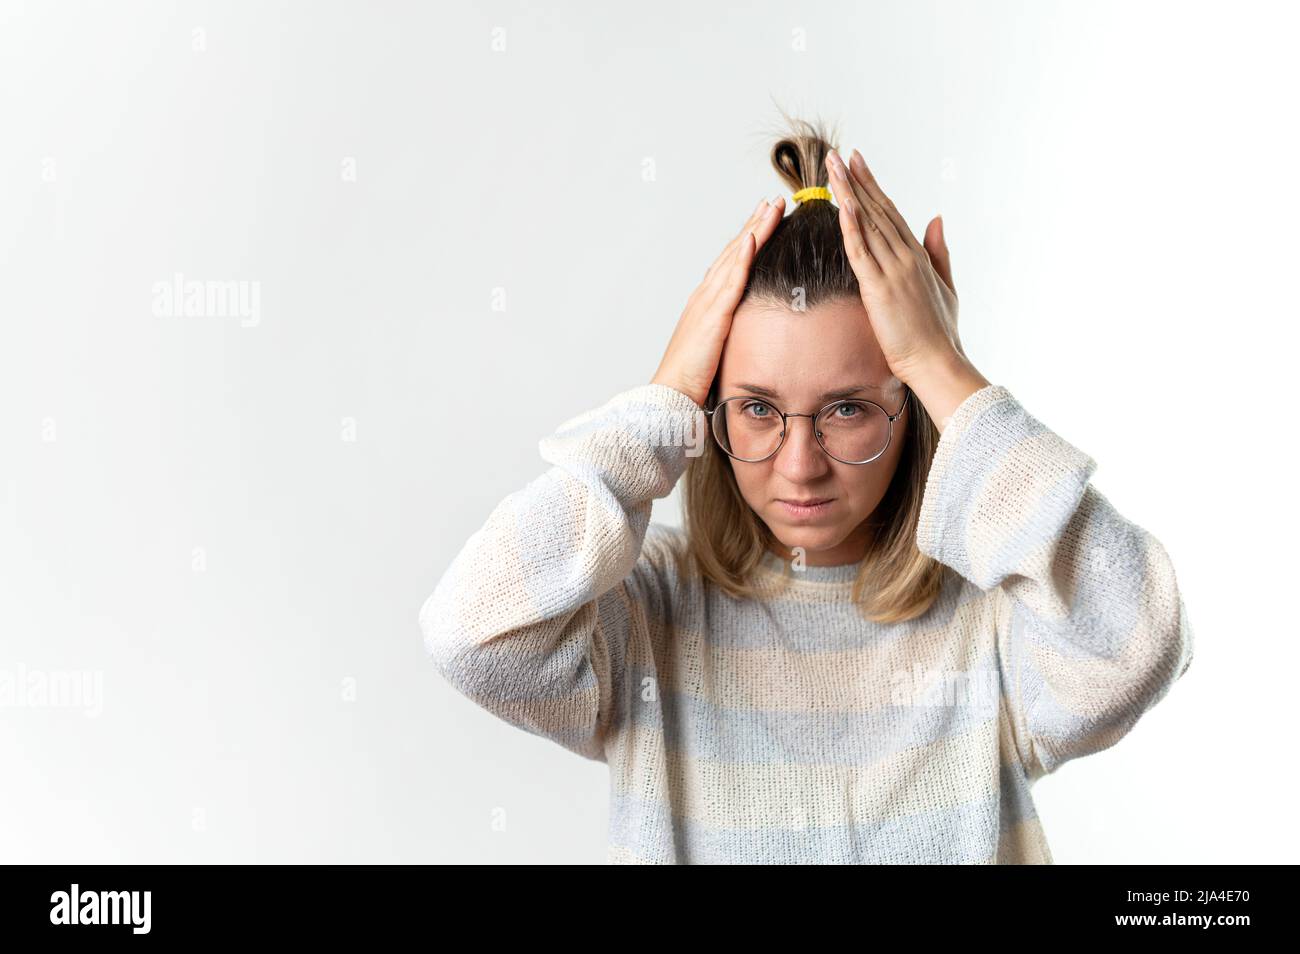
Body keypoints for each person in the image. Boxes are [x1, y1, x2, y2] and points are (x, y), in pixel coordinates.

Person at [419, 117, 1194, 864]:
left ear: (911, 406)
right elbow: (469, 633)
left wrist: (942, 368)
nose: (799, 466)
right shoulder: (649, 614)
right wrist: (663, 400)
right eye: (757, 408)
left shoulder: (995, 618)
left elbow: (1140, 641)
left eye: (847, 409)